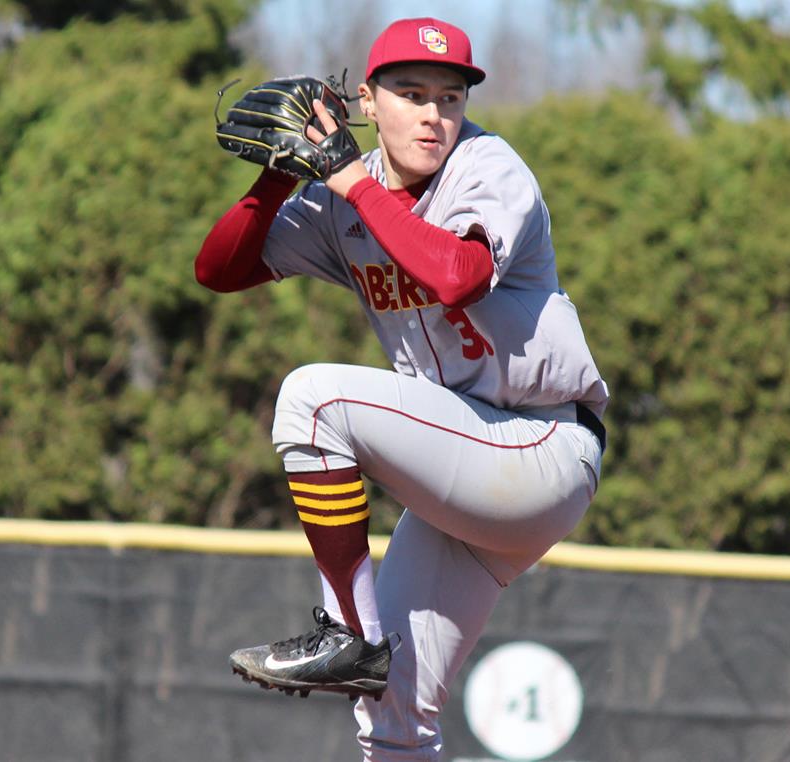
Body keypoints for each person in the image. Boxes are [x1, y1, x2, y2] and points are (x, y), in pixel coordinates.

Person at [200, 16, 608, 760]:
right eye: (411, 93)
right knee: (391, 715)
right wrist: (275, 178)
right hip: (464, 465)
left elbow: (458, 275)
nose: (433, 114)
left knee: (313, 399)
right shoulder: (344, 199)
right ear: (366, 100)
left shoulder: (488, 167)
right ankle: (361, 653)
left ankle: (348, 634)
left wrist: (349, 178)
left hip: (539, 443)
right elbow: (220, 271)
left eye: (449, 96)